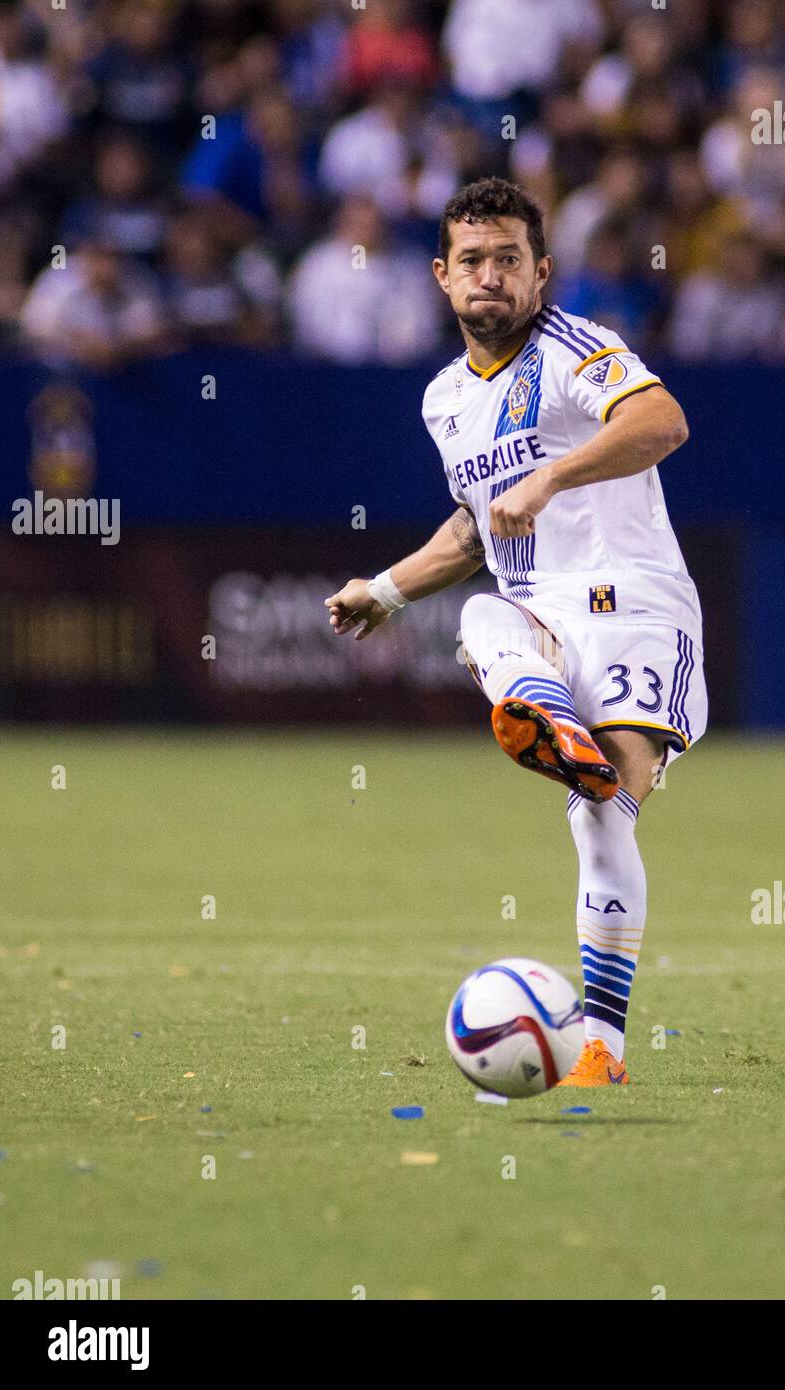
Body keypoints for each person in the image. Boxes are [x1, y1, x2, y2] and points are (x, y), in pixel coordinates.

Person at [325, 178, 707, 1086]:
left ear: (543, 273)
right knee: (482, 613)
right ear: (441, 276)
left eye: (508, 260)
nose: (489, 276)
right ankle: (540, 711)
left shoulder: (581, 346)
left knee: (608, 810)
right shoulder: (444, 399)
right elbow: (474, 526)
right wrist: (383, 588)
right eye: (472, 261)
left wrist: (551, 480)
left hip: (636, 602)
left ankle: (602, 1051)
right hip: (538, 613)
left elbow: (663, 421)